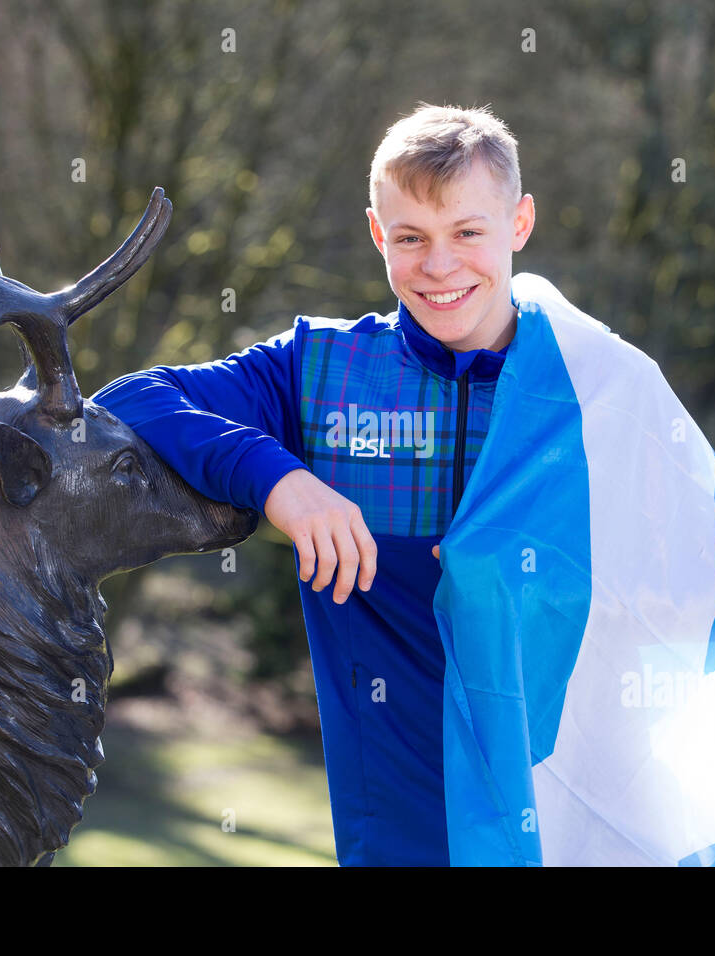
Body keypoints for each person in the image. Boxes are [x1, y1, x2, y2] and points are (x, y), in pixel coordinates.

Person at [91, 101, 533, 866]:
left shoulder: (585, 388)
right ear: (376, 234)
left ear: (519, 224)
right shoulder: (318, 368)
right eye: (410, 238)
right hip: (395, 839)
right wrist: (281, 480)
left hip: (569, 825)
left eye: (468, 232)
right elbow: (127, 401)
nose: (439, 265)